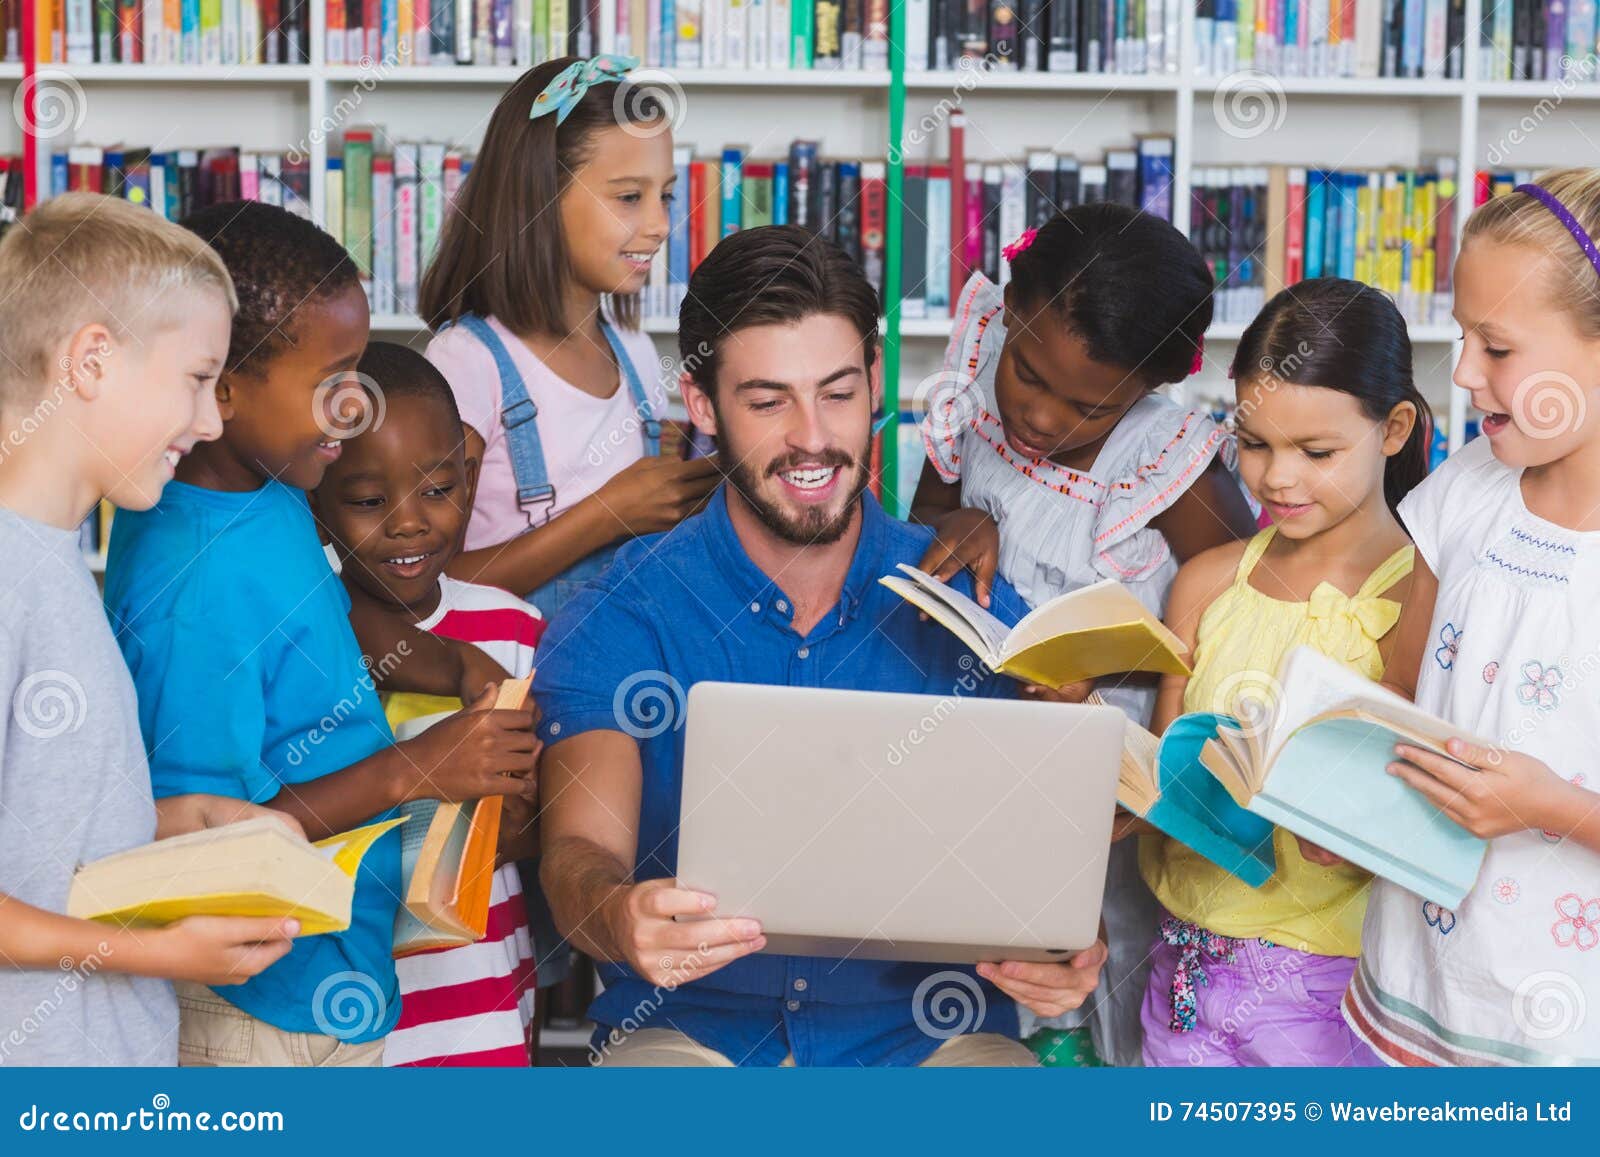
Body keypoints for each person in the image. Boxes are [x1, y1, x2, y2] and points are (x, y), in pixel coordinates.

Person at [535, 225, 1107, 1067]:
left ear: (877, 382)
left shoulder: (972, 603)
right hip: (690, 1035)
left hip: (931, 1041)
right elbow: (579, 853)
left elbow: (1044, 872)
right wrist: (617, 913)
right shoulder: (625, 606)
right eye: (767, 402)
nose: (812, 437)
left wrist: (1065, 952)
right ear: (702, 405)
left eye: (838, 393)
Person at [104, 201, 539, 1067]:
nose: (354, 407)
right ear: (221, 385)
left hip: (330, 972)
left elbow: (321, 632)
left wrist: (450, 660)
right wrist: (419, 766)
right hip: (258, 1003)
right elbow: (204, 848)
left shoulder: (266, 491)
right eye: (332, 378)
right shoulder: (194, 581)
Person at [909, 205, 1258, 1065]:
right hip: (981, 750)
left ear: (1143, 391)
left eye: (1087, 407)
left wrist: (1113, 687)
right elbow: (921, 517)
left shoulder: (1168, 466)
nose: (1039, 415)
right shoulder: (980, 366)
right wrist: (957, 520)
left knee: (1112, 986)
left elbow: (1250, 610)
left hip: (1115, 787)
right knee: (993, 988)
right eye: (1028, 372)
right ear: (1011, 311)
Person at [0, 193, 300, 1066]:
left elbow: (41, 833)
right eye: (199, 379)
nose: (210, 422)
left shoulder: (54, 560)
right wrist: (157, 953)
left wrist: (183, 819)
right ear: (92, 359)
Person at [1137, 278, 1429, 1066]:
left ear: (1393, 428)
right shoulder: (1205, 582)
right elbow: (1161, 767)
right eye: (1255, 443)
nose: (1277, 479)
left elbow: (1423, 815)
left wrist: (1350, 829)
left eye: (1318, 452)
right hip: (1181, 975)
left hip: (1327, 993)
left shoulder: (1418, 595)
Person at [1344, 168, 1600, 1066]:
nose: (1461, 373)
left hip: (1564, 1033)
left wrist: (1552, 807)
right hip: (1416, 991)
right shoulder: (1462, 493)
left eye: (1496, 347)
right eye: (1461, 338)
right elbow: (1399, 693)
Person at [312, 342, 544, 1067]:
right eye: (369, 501)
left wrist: (520, 814)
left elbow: (543, 829)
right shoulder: (305, 637)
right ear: (312, 497)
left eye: (438, 490)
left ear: (470, 481)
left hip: (484, 1011)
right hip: (337, 1019)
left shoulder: (512, 629)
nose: (409, 524)